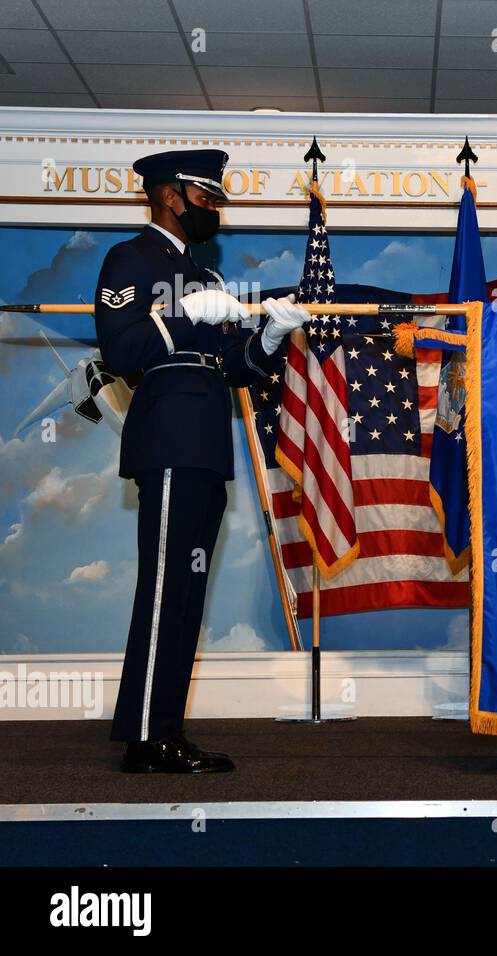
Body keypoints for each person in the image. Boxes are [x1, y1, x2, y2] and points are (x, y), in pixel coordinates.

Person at [94, 149, 309, 772]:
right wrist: (178, 314)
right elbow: (121, 345)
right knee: (165, 589)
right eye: (205, 197)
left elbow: (233, 366)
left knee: (187, 592)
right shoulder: (130, 258)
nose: (212, 210)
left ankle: (164, 729)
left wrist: (267, 337)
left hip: (207, 446)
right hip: (167, 440)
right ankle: (144, 736)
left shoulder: (206, 276)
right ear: (169, 196)